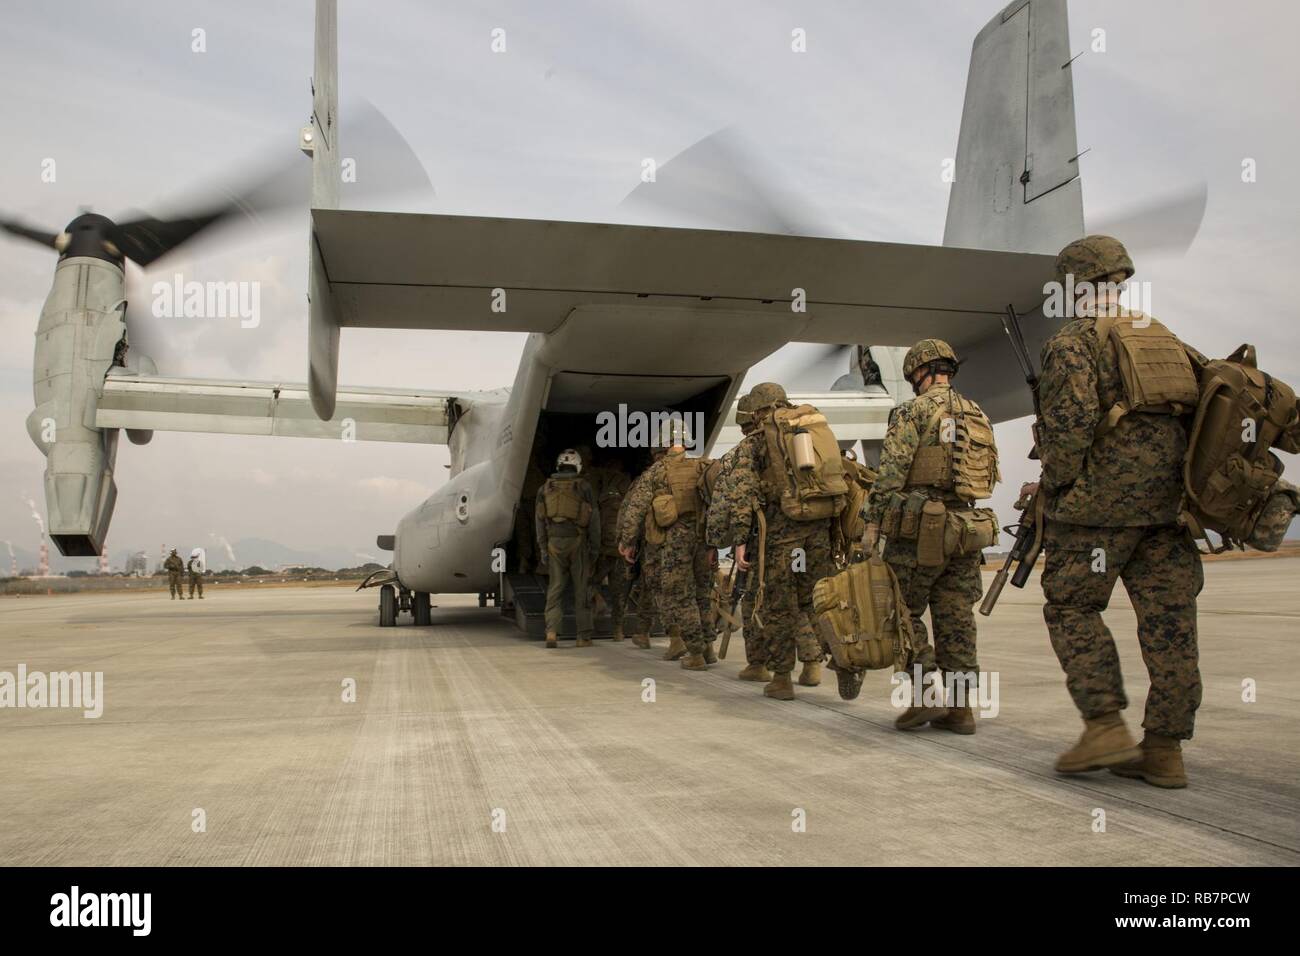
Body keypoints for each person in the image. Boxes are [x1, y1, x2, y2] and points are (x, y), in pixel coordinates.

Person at [1034, 234, 1204, 787]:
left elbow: (1069, 428)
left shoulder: (1072, 343)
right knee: (1170, 624)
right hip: (1170, 513)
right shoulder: (1166, 338)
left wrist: (1054, 489)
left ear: (1073, 284)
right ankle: (1164, 749)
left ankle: (1105, 724)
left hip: (1097, 516)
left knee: (1071, 606)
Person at [861, 339, 999, 734]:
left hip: (919, 531)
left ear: (918, 372)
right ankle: (961, 709)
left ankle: (924, 694)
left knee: (900, 612)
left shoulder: (911, 411)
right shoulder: (978, 414)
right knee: (956, 618)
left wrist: (871, 524)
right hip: (965, 531)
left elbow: (889, 475)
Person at [706, 383, 834, 699]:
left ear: (760, 410)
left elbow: (741, 497)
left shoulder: (755, 445)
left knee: (779, 608)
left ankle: (781, 678)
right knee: (811, 604)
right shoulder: (810, 431)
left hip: (781, 543)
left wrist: (737, 542)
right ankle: (817, 663)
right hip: (817, 538)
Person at [619, 418, 713, 669]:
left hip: (674, 543)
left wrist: (627, 541)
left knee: (680, 596)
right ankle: (708, 648)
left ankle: (695, 652)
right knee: (702, 594)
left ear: (662, 444)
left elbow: (635, 509)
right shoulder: (703, 466)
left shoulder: (656, 472)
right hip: (703, 540)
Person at [535, 449, 600, 648]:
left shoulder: (545, 488)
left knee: (555, 589)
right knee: (581, 589)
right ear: (578, 465)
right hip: (577, 542)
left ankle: (552, 632)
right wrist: (595, 549)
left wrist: (543, 548)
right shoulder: (584, 487)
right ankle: (583, 636)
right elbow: (594, 519)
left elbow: (539, 521)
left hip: (554, 543)